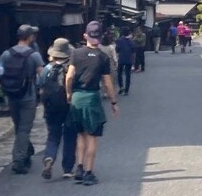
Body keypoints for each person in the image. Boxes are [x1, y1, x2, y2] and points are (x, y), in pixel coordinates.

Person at [66, 20, 118, 186]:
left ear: (85, 36)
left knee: (80, 135)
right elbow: (108, 83)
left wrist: (68, 93)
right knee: (92, 137)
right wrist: (113, 101)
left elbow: (69, 76)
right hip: (92, 97)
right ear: (100, 36)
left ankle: (79, 168)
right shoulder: (102, 57)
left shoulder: (76, 53)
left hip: (77, 98)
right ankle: (89, 172)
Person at [0, 24, 44, 174]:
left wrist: (6, 85)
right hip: (28, 96)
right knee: (24, 128)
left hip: (11, 95)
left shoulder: (6, 54)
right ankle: (19, 160)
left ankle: (26, 150)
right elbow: (42, 76)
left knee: (18, 126)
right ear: (30, 37)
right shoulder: (34, 55)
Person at [39, 38, 75, 180]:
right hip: (68, 105)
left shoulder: (47, 68)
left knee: (53, 135)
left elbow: (40, 86)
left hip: (51, 107)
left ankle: (49, 158)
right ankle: (67, 168)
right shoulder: (70, 67)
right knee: (70, 136)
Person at [114, 29, 135, 95]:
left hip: (121, 59)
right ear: (128, 33)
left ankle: (121, 87)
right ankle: (126, 90)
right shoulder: (131, 41)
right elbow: (133, 52)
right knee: (128, 75)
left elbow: (117, 50)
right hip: (129, 59)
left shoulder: (119, 41)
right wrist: (133, 63)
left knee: (119, 74)